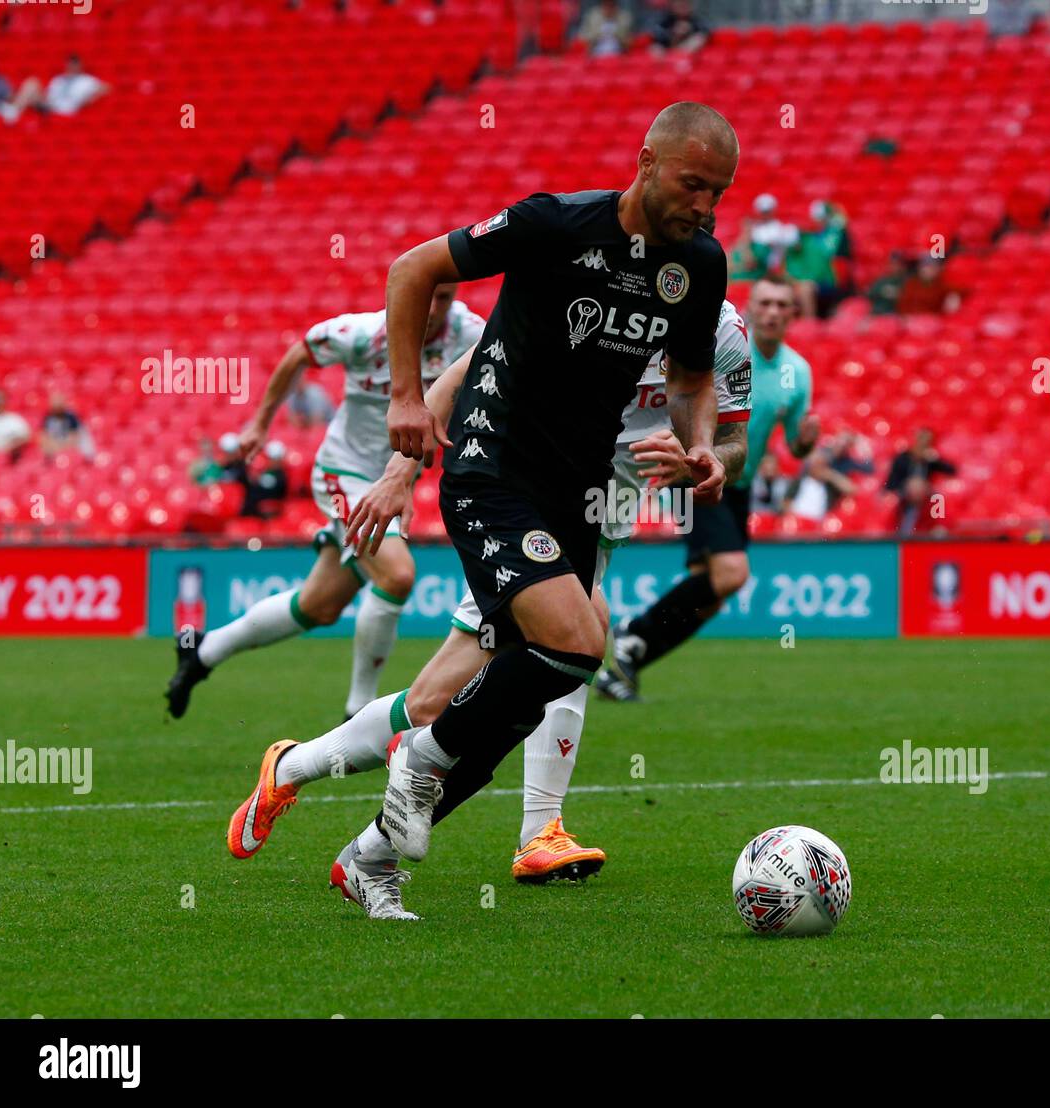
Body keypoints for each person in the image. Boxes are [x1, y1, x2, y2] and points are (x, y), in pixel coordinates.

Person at [224, 102, 738, 919]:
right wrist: (402, 411)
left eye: (719, 192)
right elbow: (410, 270)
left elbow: (691, 381)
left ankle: (369, 858)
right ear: (646, 160)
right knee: (576, 644)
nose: (704, 206)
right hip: (491, 466)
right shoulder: (552, 225)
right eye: (693, 184)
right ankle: (424, 766)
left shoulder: (699, 266)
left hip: (573, 495)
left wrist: (701, 445)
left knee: (504, 701)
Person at [164, 288, 485, 723]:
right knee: (398, 574)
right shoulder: (361, 333)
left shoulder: (470, 334)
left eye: (443, 298)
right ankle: (358, 712)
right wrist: (260, 423)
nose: (432, 310)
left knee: (319, 605)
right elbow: (300, 353)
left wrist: (407, 480)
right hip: (342, 473)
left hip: (392, 479)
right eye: (424, 297)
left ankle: (202, 650)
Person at [598, 273, 817, 701]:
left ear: (793, 313)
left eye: (781, 305)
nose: (772, 313)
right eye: (765, 303)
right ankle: (633, 632)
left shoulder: (798, 372)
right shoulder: (724, 342)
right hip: (693, 470)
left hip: (739, 483)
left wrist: (804, 443)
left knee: (711, 592)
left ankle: (629, 660)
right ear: (751, 308)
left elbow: (793, 444)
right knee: (732, 573)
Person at [788, 430, 874, 520]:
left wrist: (864, 448)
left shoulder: (847, 462)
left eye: (846, 443)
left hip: (825, 507)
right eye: (841, 440)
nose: (842, 445)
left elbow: (867, 471)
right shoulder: (822, 454)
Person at [885, 427, 956, 536]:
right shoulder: (903, 458)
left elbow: (951, 470)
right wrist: (908, 486)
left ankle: (938, 527)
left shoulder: (930, 460)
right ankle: (905, 532)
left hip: (924, 492)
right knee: (912, 493)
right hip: (904, 492)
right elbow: (892, 481)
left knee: (937, 497)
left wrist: (935, 459)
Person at [897, 256, 961, 315]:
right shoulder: (911, 283)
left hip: (932, 320)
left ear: (938, 269)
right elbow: (903, 304)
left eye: (932, 267)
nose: (928, 270)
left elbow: (955, 294)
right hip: (910, 319)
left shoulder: (943, 285)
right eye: (925, 267)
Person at [240, 441, 289, 518]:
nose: (273, 461)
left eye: (276, 459)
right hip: (253, 509)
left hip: (272, 509)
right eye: (271, 458)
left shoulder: (281, 476)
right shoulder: (264, 472)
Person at [38, 393, 91, 459]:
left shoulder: (71, 417)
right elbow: (43, 436)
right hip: (55, 445)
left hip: (70, 446)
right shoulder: (48, 417)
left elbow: (74, 437)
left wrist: (62, 447)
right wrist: (52, 445)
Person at [0, 389, 30, 462]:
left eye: (0, 399)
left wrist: (10, 447)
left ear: (5, 400)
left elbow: (25, 436)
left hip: (8, 456)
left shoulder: (14, 419)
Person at [867, 251, 910, 316]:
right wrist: (883, 291)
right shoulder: (883, 280)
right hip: (879, 313)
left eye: (898, 264)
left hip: (898, 315)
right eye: (893, 264)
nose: (895, 267)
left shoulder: (908, 281)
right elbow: (870, 294)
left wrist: (899, 293)